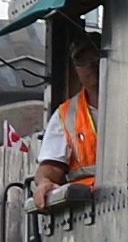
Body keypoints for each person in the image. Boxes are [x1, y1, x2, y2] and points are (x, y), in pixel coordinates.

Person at [33, 47, 98, 205]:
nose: (92, 65)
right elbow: (51, 166)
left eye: (97, 56)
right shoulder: (66, 114)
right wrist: (44, 182)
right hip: (87, 203)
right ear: (75, 68)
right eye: (82, 60)